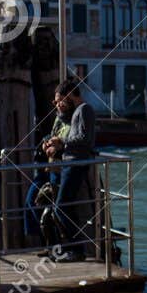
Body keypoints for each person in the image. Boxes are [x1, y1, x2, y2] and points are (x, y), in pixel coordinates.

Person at [43, 77, 96, 260]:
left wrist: (61, 142)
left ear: (70, 95)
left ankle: (77, 250)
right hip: (69, 163)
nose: (60, 104)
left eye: (62, 99)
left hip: (76, 163)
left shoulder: (84, 110)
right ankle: (70, 248)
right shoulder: (76, 112)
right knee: (63, 206)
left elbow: (84, 138)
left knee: (62, 207)